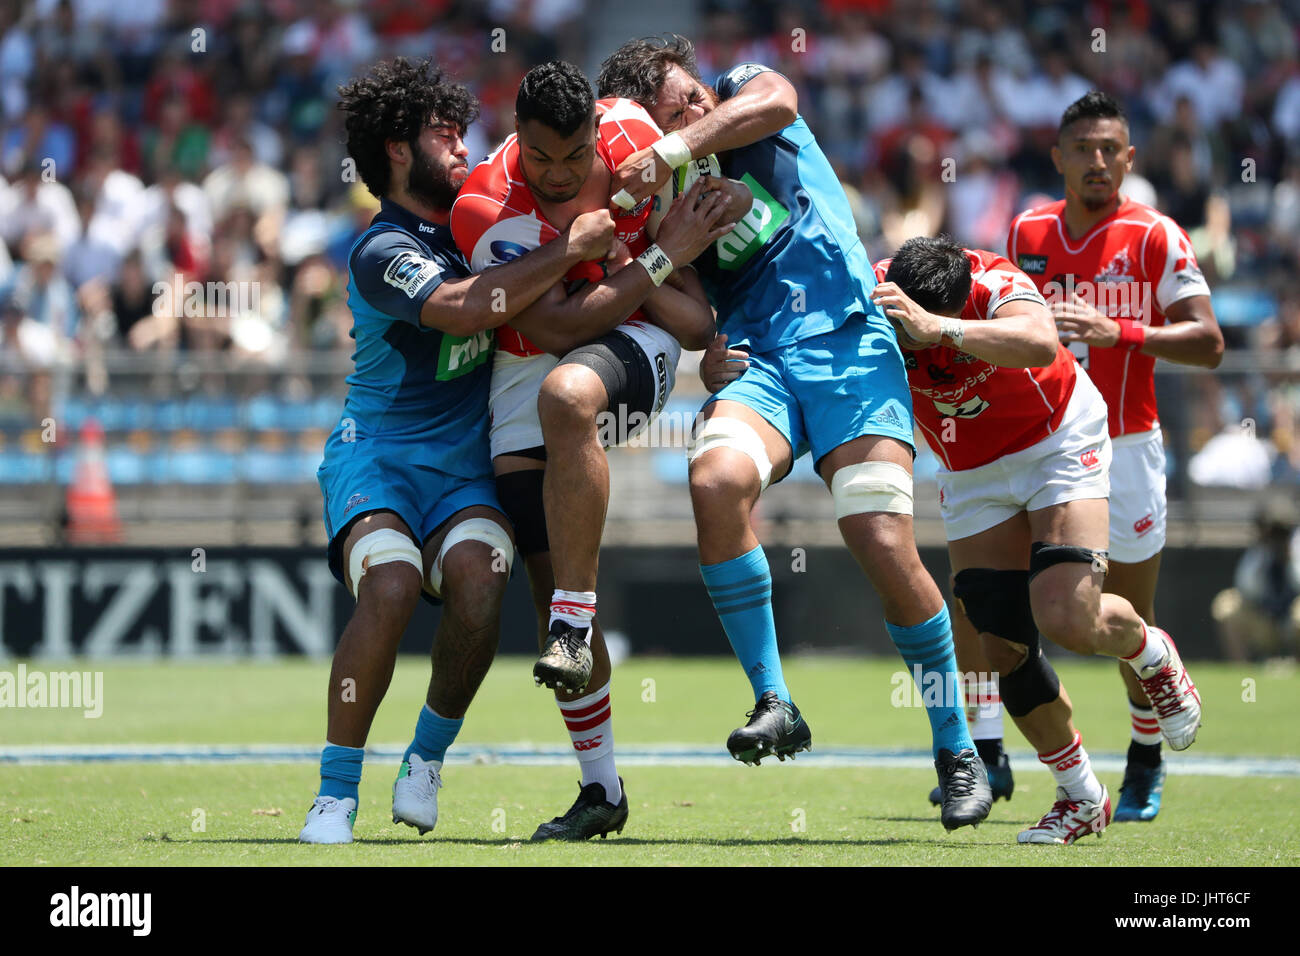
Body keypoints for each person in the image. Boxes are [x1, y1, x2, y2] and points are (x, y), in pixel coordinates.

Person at [598, 35, 991, 830]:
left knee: (879, 536)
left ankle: (958, 749)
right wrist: (698, 336)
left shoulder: (745, 90)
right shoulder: (661, 203)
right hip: (760, 364)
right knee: (712, 481)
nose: (697, 112)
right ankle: (775, 700)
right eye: (673, 112)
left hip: (852, 338)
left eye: (693, 99)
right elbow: (698, 312)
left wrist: (680, 138)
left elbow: (778, 98)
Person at [300, 57, 617, 844]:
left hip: (463, 467)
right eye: (445, 136)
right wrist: (572, 246)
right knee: (394, 582)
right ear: (397, 151)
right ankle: (335, 795)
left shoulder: (484, 222)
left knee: (481, 581)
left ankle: (427, 759)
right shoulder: (381, 250)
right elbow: (459, 308)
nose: (465, 147)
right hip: (377, 456)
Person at [450, 60, 733, 840]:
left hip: (633, 336)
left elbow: (689, 312)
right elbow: (556, 329)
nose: (559, 173)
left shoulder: (636, 134)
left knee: (570, 397)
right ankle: (601, 788)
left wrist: (663, 269)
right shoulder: (485, 208)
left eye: (575, 158)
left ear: (596, 134)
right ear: (517, 138)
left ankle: (575, 624)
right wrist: (654, 258)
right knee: (546, 570)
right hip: (529, 360)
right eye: (541, 159)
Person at [861, 236, 1198, 844]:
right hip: (970, 469)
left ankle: (1151, 652)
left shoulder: (991, 280)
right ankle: (1080, 796)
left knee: (1068, 617)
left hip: (1056, 441)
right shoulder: (868, 290)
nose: (908, 338)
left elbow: (1041, 340)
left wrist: (937, 329)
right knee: (1002, 647)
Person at [1008, 91, 1224, 821]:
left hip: (1127, 446)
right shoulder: (1028, 232)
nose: (1098, 162)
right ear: (1058, 158)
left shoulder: (1157, 236)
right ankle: (978, 751)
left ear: (1130, 158)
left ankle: (1144, 758)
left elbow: (1210, 342)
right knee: (1001, 596)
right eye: (1084, 149)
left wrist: (1121, 332)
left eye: (1111, 150)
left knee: (1130, 610)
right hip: (1044, 445)